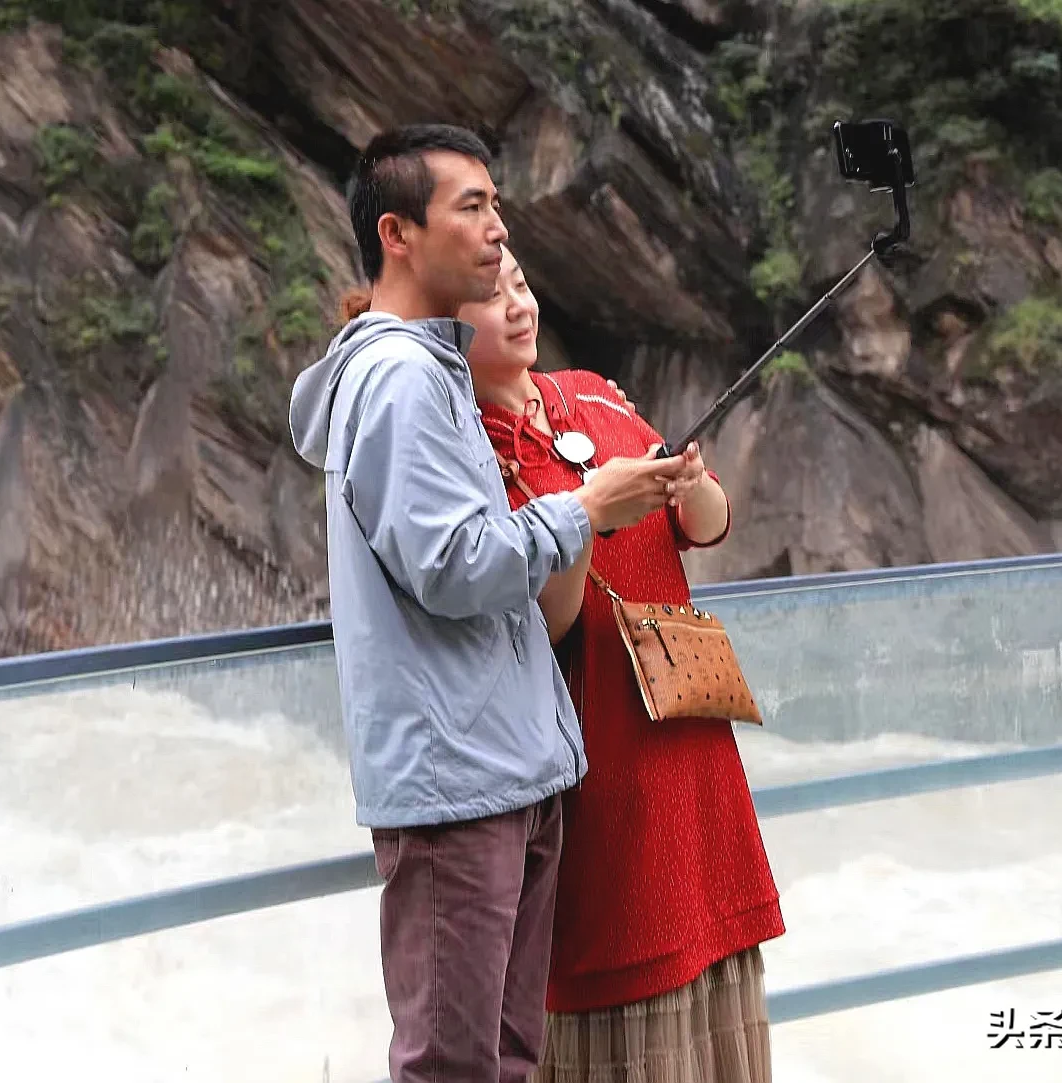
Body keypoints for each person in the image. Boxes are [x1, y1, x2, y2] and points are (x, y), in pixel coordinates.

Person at [288, 124, 689, 1083]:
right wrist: (587, 508)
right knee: (454, 1065)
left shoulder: (433, 371)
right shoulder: (399, 380)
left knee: (505, 1060)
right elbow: (455, 564)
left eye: (496, 205)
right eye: (471, 207)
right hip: (456, 785)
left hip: (507, 770)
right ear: (397, 234)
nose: (499, 229)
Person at [466, 245, 787, 1082]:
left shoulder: (594, 394)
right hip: (601, 761)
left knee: (716, 960)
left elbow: (707, 523)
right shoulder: (469, 453)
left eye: (522, 285)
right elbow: (548, 621)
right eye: (491, 297)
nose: (518, 305)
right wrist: (586, 513)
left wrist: (690, 482)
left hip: (692, 741)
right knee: (624, 979)